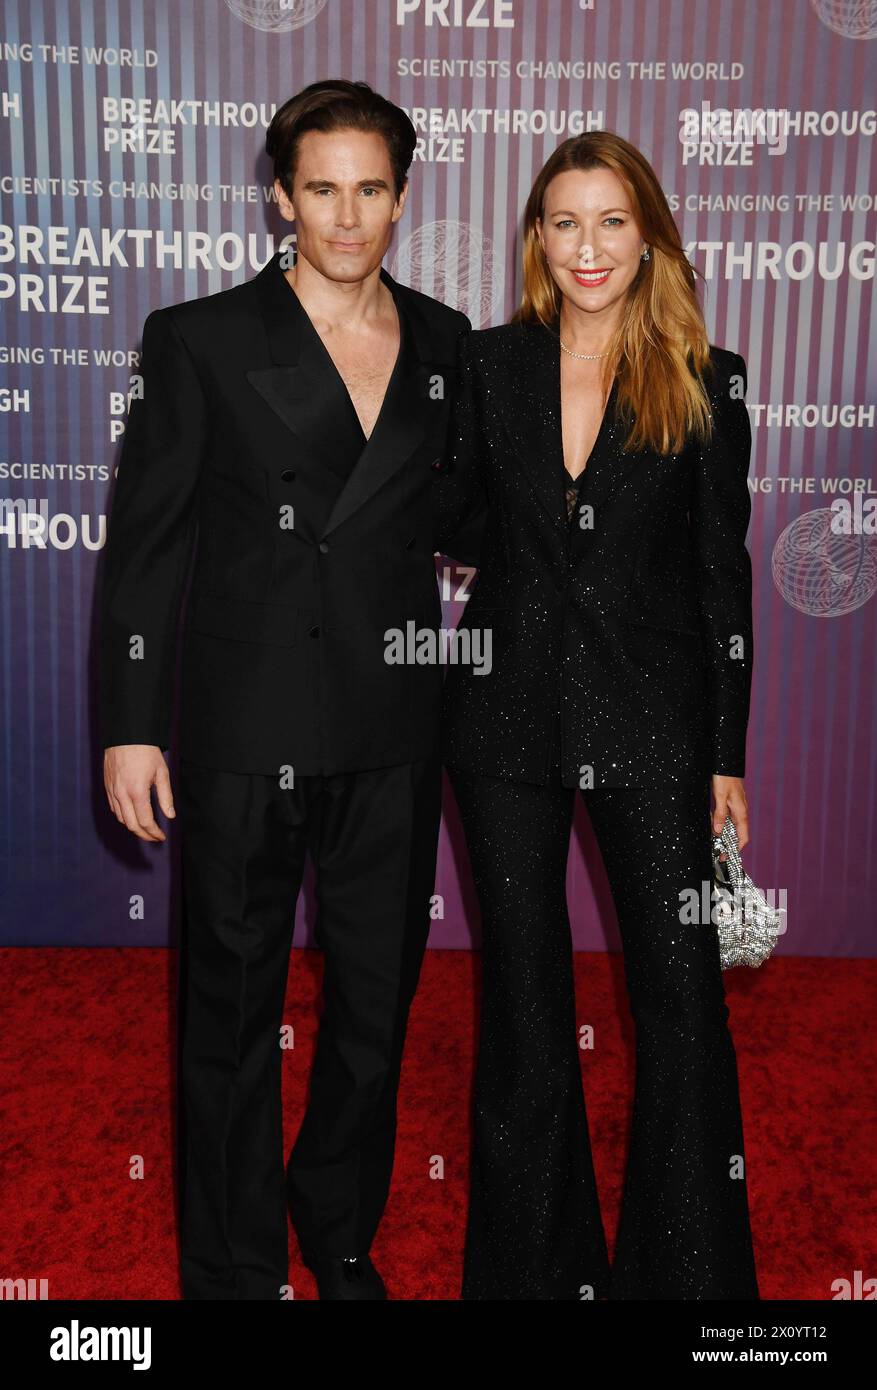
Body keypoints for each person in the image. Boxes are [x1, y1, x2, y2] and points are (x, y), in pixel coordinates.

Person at [100, 80, 474, 1300]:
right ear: (280, 195)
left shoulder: (445, 343)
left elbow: (470, 519)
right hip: (239, 725)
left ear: (403, 197)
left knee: (374, 1002)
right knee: (230, 1005)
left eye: (371, 188)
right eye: (322, 188)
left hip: (392, 724)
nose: (348, 215)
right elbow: (147, 549)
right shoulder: (198, 337)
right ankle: (230, 1258)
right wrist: (127, 729)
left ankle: (340, 1226)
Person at [433, 131, 760, 1300]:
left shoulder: (704, 376)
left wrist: (725, 755)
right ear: (535, 237)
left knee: (679, 995)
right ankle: (532, 1276)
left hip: (656, 717)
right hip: (503, 718)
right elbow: (461, 526)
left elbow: (723, 580)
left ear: (649, 234)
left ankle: (689, 1283)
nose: (587, 248)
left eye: (611, 221)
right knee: (524, 1001)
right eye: (564, 222)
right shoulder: (484, 366)